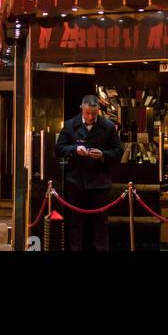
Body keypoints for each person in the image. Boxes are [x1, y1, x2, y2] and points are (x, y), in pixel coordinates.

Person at [55, 94, 124, 251]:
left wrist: (103, 155)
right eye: (88, 113)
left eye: (94, 113)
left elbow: (119, 152)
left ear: (98, 110)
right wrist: (74, 149)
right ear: (82, 109)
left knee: (101, 224)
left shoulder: (108, 127)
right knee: (75, 224)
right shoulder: (70, 125)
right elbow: (58, 149)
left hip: (100, 183)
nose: (91, 117)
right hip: (76, 182)